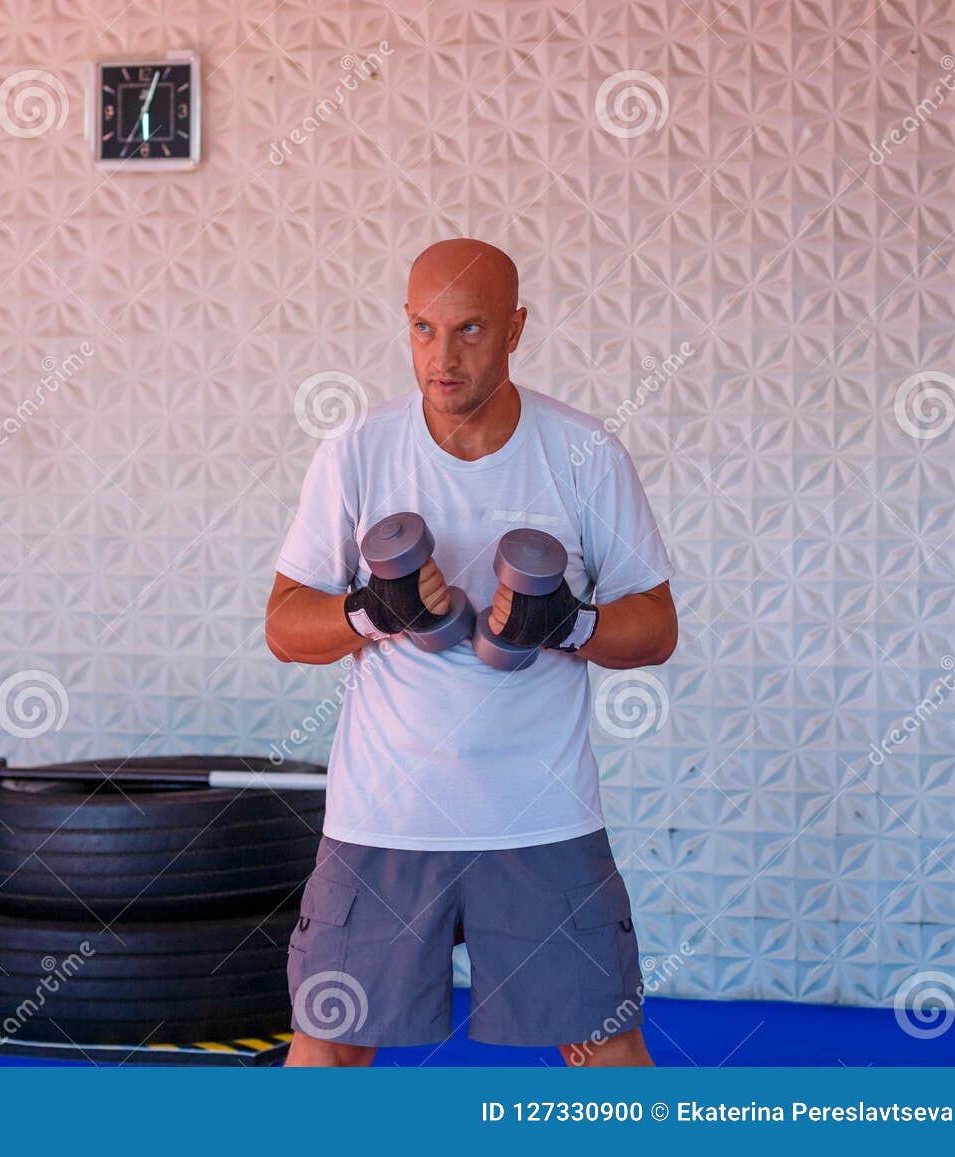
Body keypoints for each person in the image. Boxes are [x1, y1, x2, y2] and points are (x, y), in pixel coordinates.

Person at [265, 238, 677, 1067]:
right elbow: (284, 624)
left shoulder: (582, 452)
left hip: (541, 814)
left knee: (604, 1043)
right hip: (385, 815)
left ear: (516, 328)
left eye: (470, 330)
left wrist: (569, 624)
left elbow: (656, 627)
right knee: (330, 1044)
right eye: (424, 328)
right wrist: (369, 611)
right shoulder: (358, 450)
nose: (442, 357)